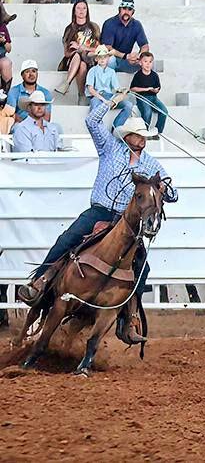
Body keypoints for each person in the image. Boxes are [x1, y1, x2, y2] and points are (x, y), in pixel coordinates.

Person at [17, 95, 177, 345]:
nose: (142, 140)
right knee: (67, 240)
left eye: (144, 136)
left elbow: (173, 192)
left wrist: (165, 190)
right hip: (100, 211)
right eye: (138, 135)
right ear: (127, 136)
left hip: (125, 223)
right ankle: (41, 281)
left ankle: (129, 319)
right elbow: (92, 121)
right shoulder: (110, 147)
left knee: (142, 267)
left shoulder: (150, 164)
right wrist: (112, 102)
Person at [55, 0, 100, 105]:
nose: (81, 11)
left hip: (90, 59)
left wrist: (82, 48)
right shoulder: (69, 29)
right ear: (74, 11)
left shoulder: (94, 27)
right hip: (72, 62)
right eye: (78, 8)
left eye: (84, 8)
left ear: (87, 11)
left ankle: (67, 83)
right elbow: (66, 53)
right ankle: (81, 94)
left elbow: (99, 49)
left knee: (83, 61)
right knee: (79, 59)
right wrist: (77, 51)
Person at [85, 46, 133, 128]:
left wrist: (122, 90)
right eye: (100, 57)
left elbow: (116, 88)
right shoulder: (92, 70)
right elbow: (91, 89)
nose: (102, 59)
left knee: (128, 105)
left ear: (108, 58)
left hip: (109, 96)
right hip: (97, 96)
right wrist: (103, 100)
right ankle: (96, 128)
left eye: (105, 57)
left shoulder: (111, 71)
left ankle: (116, 127)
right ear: (96, 59)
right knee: (94, 106)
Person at [101, 0, 150, 74]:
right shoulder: (109, 23)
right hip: (113, 59)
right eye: (124, 8)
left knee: (148, 62)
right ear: (119, 9)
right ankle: (107, 81)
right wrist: (126, 56)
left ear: (133, 12)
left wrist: (139, 57)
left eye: (129, 9)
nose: (126, 12)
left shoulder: (136, 25)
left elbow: (145, 46)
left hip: (127, 61)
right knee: (110, 60)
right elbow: (107, 47)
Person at [130, 52, 167, 134]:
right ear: (140, 63)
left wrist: (155, 90)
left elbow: (158, 88)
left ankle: (158, 132)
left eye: (150, 62)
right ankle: (144, 131)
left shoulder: (154, 75)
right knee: (147, 112)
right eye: (145, 61)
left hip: (153, 98)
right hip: (142, 98)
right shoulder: (138, 75)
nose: (148, 64)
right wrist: (146, 89)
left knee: (164, 111)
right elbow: (132, 89)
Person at [8, 60, 53, 124]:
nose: (31, 74)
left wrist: (35, 126)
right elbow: (11, 114)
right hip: (20, 125)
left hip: (39, 125)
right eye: (27, 72)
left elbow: (47, 118)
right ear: (22, 75)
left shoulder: (46, 93)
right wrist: (27, 126)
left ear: (37, 74)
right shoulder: (14, 91)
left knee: (56, 127)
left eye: (34, 71)